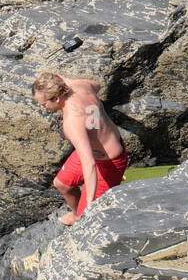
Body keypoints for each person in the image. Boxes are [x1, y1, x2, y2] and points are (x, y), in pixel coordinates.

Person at [32, 72, 128, 225]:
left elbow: (89, 163)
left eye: (44, 104)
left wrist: (90, 203)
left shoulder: (72, 122)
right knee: (62, 184)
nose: (42, 107)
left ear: (56, 98)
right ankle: (77, 214)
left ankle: (83, 216)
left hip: (109, 161)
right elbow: (97, 85)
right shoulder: (81, 86)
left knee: (89, 219)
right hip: (93, 148)